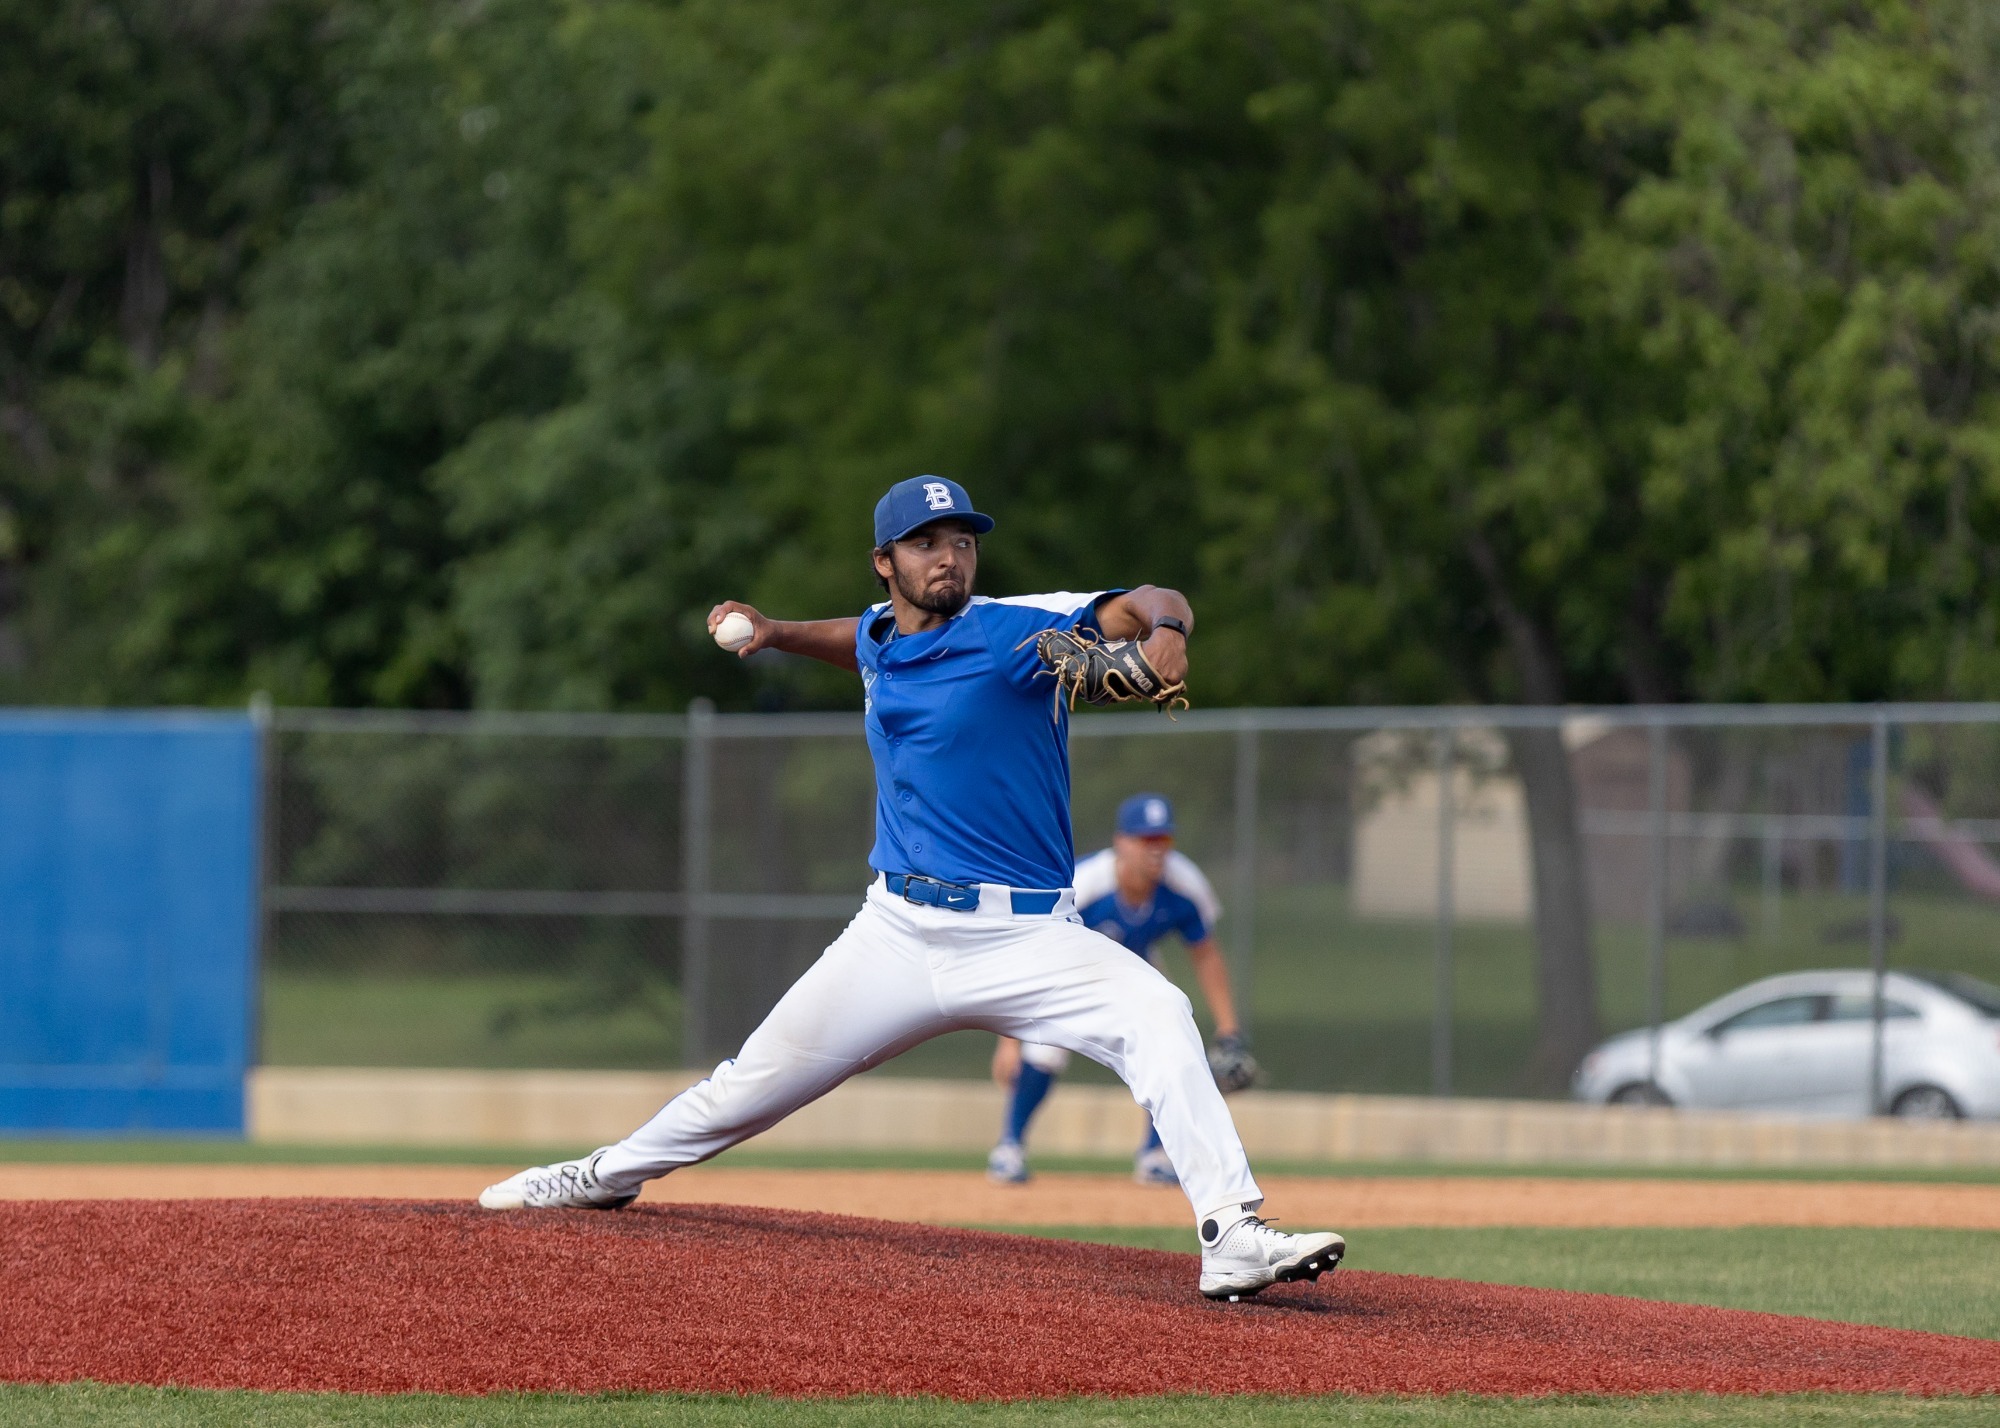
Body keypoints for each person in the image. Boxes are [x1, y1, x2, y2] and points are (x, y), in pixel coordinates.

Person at [477, 475, 1343, 1301]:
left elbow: (1151, 598)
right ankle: (603, 1175)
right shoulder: (879, 639)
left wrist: (1168, 631)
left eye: (962, 540)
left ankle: (1231, 1234)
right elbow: (854, 638)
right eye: (924, 542)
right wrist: (776, 631)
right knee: (746, 1087)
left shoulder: (1016, 633)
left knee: (1159, 1016)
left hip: (1028, 937)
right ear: (884, 562)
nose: (949, 557)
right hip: (894, 933)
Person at [988, 793, 1247, 1188]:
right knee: (1044, 1048)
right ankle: (1009, 1147)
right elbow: (1027, 948)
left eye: (1163, 840)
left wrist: (1228, 1028)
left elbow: (1206, 955)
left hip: (1134, 964)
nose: (1157, 850)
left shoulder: (1183, 883)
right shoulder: (1085, 884)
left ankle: (1155, 1155)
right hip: (1068, 965)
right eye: (1146, 839)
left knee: (1170, 1031)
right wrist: (1008, 1040)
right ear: (1121, 842)